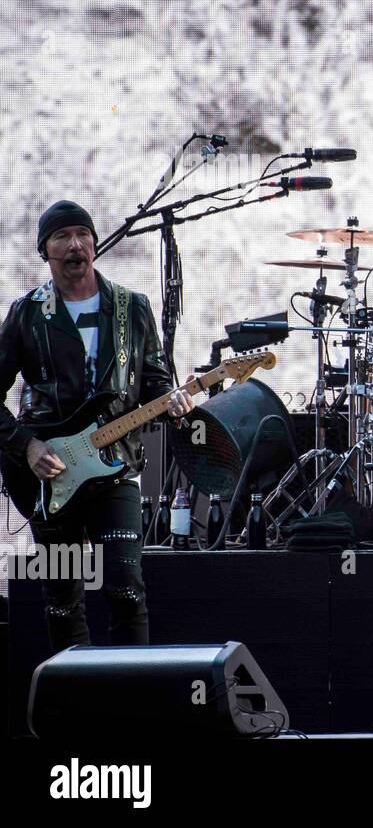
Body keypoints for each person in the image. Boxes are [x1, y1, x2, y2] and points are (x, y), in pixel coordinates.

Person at [0, 201, 193, 651]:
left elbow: (156, 387)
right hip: (49, 475)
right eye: (61, 236)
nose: (75, 244)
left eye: (82, 234)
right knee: (61, 600)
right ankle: (71, 706)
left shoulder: (132, 308)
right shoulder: (27, 314)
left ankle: (130, 700)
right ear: (45, 251)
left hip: (116, 468)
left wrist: (174, 403)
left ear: (94, 244)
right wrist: (26, 446)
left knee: (126, 589)